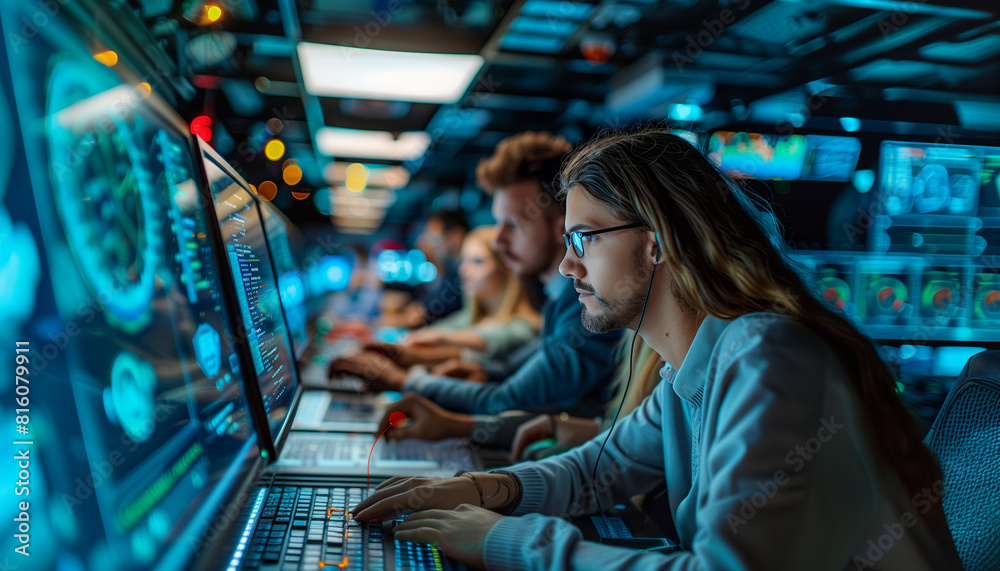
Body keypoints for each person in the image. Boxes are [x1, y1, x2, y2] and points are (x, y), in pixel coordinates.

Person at [350, 128, 962, 570]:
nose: (566, 265)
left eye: (584, 238)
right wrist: (483, 490)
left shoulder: (767, 357)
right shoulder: (689, 367)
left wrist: (501, 541)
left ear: (656, 242)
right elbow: (598, 470)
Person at [329, 131, 623, 419]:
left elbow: (507, 399)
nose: (498, 241)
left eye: (514, 224)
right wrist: (482, 371)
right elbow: (515, 367)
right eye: (498, 223)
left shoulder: (589, 307)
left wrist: (401, 380)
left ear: (564, 228)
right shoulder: (559, 301)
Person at [387, 225, 542, 370]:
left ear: (506, 269)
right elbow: (435, 332)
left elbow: (488, 339)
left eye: (477, 261)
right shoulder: (471, 317)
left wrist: (438, 338)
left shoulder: (526, 325)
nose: (464, 270)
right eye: (464, 261)